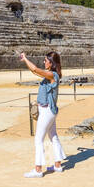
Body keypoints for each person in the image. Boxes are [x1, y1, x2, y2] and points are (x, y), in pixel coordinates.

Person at [20, 50, 65, 178]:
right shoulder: (51, 75)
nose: (44, 62)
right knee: (53, 137)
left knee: (38, 139)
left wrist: (25, 58)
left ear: (51, 63)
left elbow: (34, 69)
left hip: (47, 111)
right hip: (50, 111)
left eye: (45, 60)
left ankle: (38, 169)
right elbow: (35, 71)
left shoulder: (52, 75)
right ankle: (57, 165)